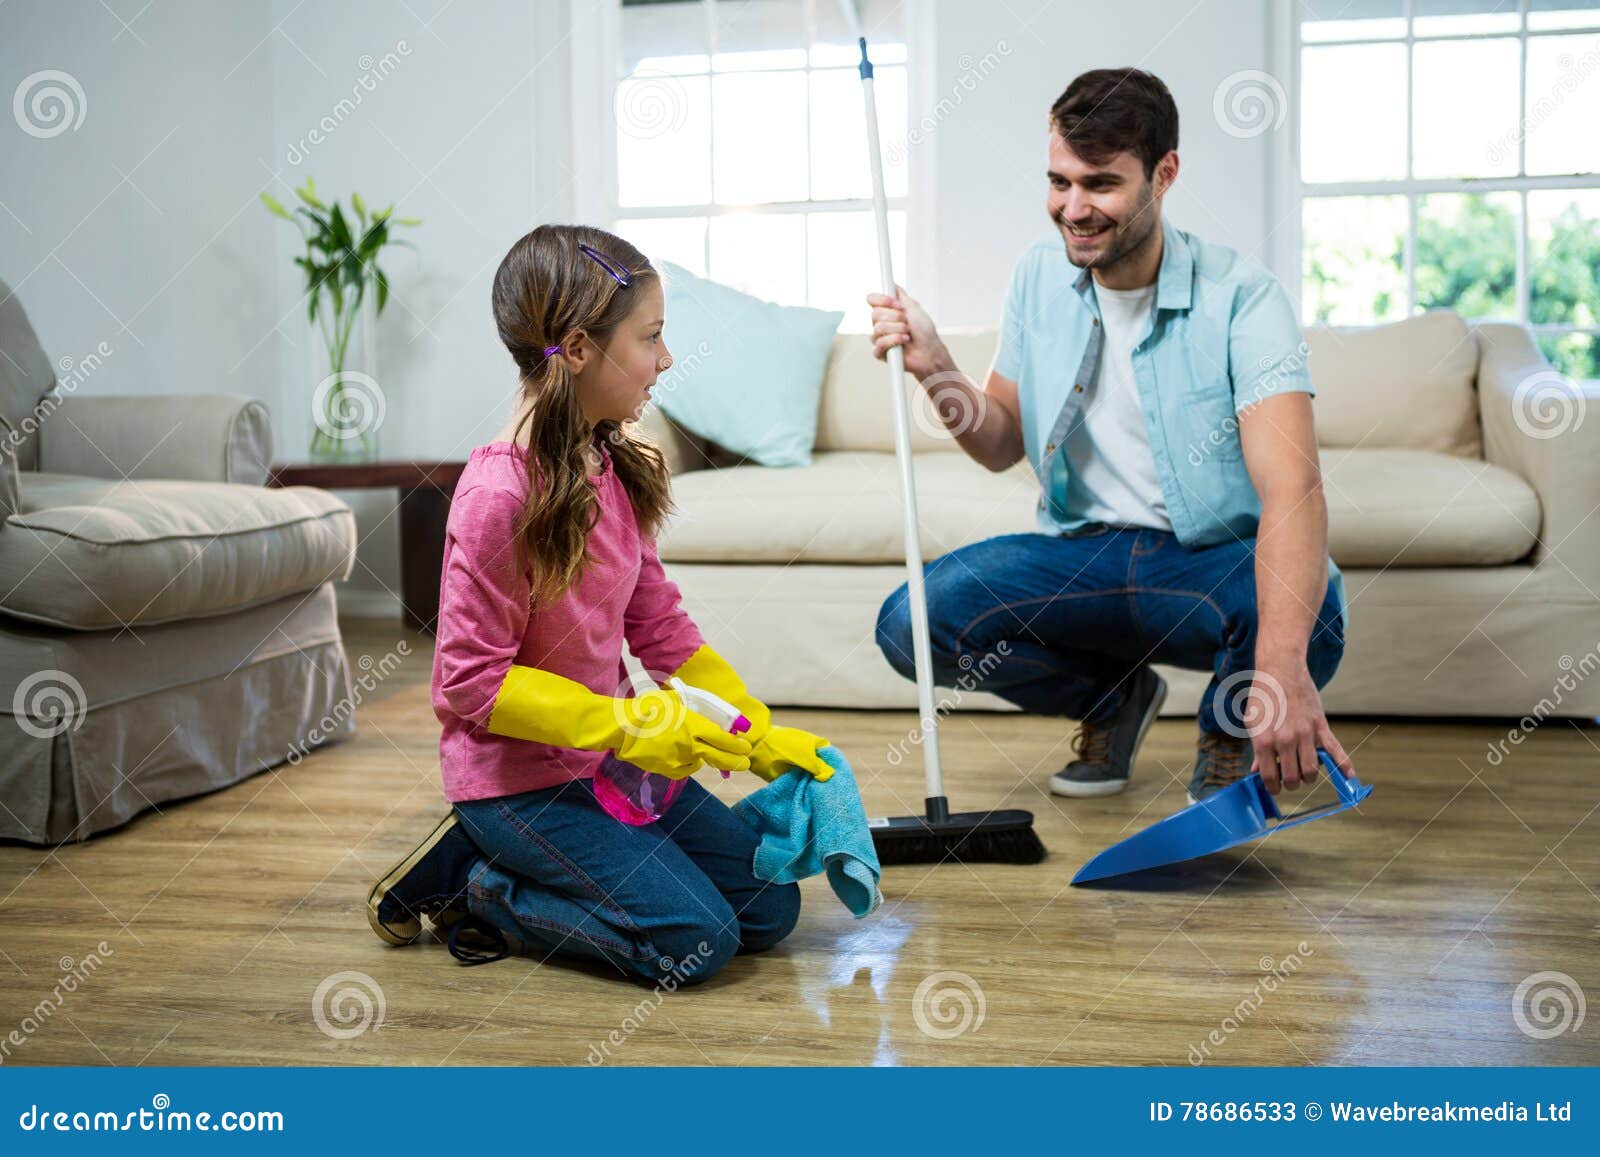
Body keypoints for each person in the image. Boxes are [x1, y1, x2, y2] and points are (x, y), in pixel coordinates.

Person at [870, 68, 1351, 805]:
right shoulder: (1039, 274)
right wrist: (935, 365)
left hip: (1208, 568)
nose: (1073, 207)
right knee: (912, 624)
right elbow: (1001, 441)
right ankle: (1113, 699)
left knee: (1304, 627)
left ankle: (1230, 732)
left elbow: (1294, 487)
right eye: (1059, 182)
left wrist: (1282, 668)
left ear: (1165, 174)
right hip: (1081, 558)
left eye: (1100, 184)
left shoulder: (1243, 296)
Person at [367, 225, 833, 983]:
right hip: (520, 787)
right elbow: (470, 684)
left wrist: (755, 732)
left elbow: (661, 627)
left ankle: (557, 868)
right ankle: (477, 881)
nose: (667, 359)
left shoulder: (607, 462)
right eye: (651, 337)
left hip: (608, 763)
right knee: (696, 942)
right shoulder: (497, 495)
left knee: (769, 912)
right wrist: (623, 722)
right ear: (580, 348)